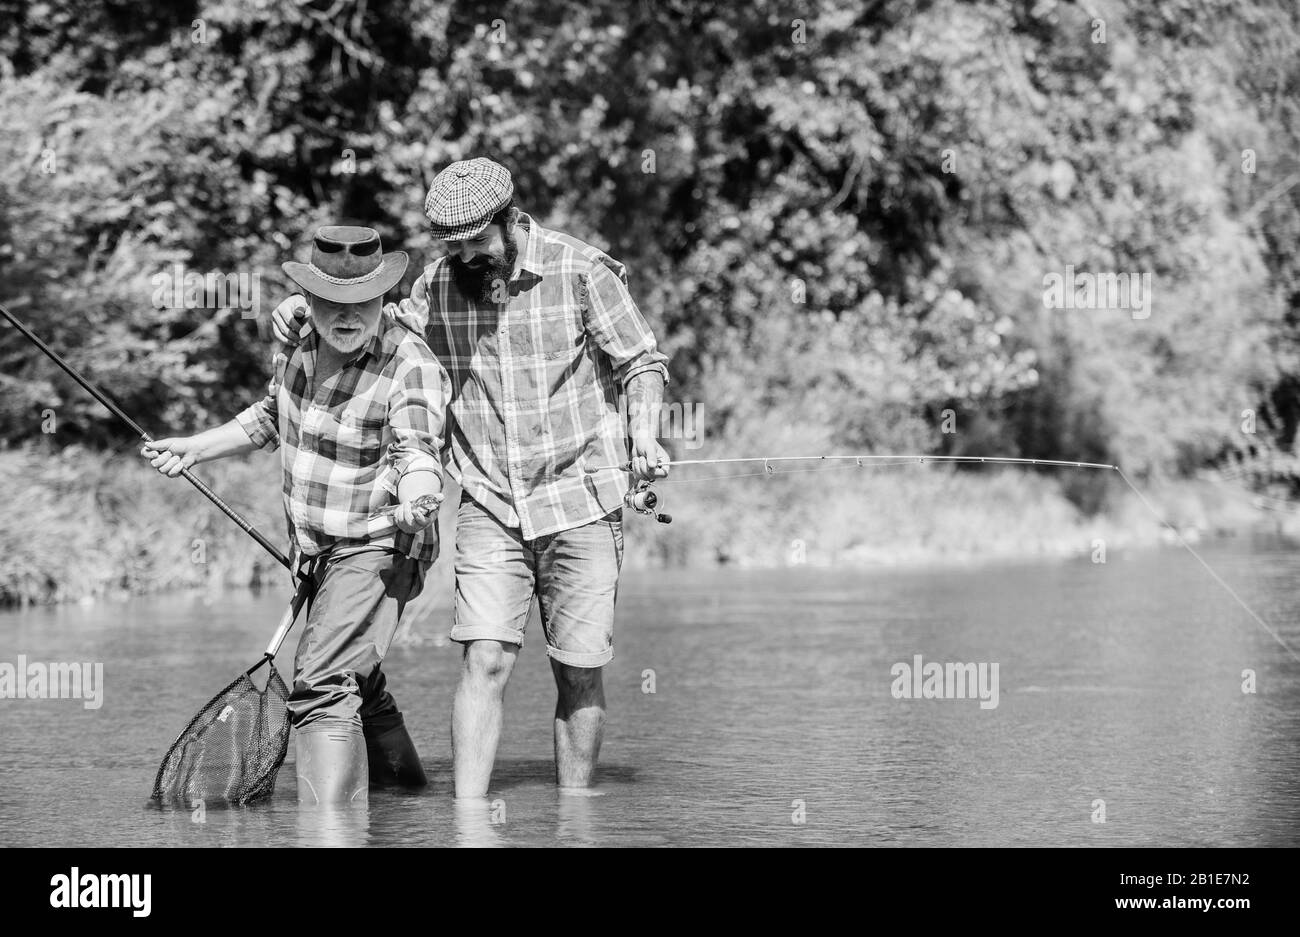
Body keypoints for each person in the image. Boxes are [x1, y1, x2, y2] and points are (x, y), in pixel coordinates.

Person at [271, 158, 670, 798]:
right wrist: (305, 303)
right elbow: (365, 320)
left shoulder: (581, 270)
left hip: (582, 500)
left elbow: (641, 361)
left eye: (475, 243)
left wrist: (643, 432)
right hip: (488, 503)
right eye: (450, 247)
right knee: (484, 659)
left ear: (510, 221)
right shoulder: (438, 284)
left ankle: (576, 815)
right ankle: (468, 822)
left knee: (579, 671)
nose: (463, 257)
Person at [144, 226, 451, 805]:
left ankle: (328, 831)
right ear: (309, 299)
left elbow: (417, 451)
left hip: (381, 545)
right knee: (360, 679)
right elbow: (268, 417)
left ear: (383, 298)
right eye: (332, 301)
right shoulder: (299, 345)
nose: (347, 315)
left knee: (320, 682)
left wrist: (418, 495)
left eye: (361, 301)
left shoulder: (410, 363)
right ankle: (409, 807)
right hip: (315, 548)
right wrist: (193, 447)